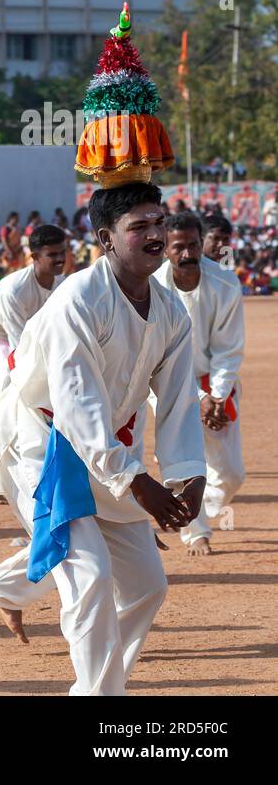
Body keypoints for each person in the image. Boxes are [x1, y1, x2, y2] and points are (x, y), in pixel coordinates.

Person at [0, 183, 206, 693]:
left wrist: (189, 476)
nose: (156, 235)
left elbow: (180, 399)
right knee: (89, 576)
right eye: (138, 227)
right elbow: (76, 403)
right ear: (106, 239)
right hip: (44, 441)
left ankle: (91, 679)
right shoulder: (79, 297)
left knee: (145, 586)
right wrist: (139, 483)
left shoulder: (170, 311)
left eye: (158, 222)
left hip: (112, 448)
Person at [153, 212, 244, 556]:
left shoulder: (225, 283)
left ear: (202, 243)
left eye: (193, 244)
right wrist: (198, 396)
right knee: (183, 461)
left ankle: (203, 509)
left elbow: (228, 348)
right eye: (179, 247)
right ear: (165, 248)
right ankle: (196, 531)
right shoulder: (153, 286)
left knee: (233, 474)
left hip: (218, 384)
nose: (187, 253)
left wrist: (215, 396)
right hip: (164, 384)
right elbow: (158, 357)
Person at [0, 224, 68, 384]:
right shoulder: (14, 291)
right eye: (52, 255)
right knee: (3, 388)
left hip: (27, 341)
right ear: (35, 257)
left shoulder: (63, 284)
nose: (61, 259)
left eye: (63, 252)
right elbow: (19, 343)